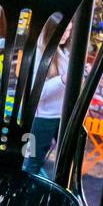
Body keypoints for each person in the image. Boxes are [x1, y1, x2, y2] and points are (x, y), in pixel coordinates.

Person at [24, 43, 68, 177]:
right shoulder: (39, 54)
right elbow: (36, 93)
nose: (67, 34)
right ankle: (27, 192)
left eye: (69, 30)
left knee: (67, 158)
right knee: (33, 164)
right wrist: (62, 80)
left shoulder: (63, 50)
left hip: (62, 115)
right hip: (43, 117)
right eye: (65, 30)